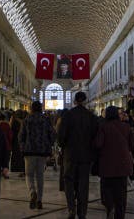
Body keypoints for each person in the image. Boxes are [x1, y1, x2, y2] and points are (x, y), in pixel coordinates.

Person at [58, 91, 98, 219]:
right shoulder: (91, 116)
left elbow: (61, 136)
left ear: (75, 101)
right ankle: (82, 212)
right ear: (85, 101)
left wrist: (63, 146)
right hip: (85, 156)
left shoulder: (68, 115)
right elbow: (95, 136)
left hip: (70, 155)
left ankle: (71, 209)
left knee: (69, 182)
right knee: (83, 184)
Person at [94, 106, 134, 219]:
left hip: (107, 165)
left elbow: (98, 144)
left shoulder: (103, 127)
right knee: (121, 193)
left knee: (107, 189)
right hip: (123, 165)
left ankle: (110, 207)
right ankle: (120, 214)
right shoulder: (126, 127)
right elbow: (132, 144)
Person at [20, 101, 56, 210]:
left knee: (29, 175)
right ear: (40, 108)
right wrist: (49, 145)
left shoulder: (26, 120)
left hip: (29, 152)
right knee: (40, 176)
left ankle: (32, 192)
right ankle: (39, 200)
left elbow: (21, 136)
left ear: (31, 108)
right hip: (42, 152)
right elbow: (53, 134)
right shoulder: (46, 120)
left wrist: (23, 147)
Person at [10, 110, 27, 177]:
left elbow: (10, 129)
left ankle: (15, 169)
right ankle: (21, 169)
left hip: (15, 141)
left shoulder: (14, 120)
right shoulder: (24, 122)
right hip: (22, 141)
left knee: (15, 155)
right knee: (21, 156)